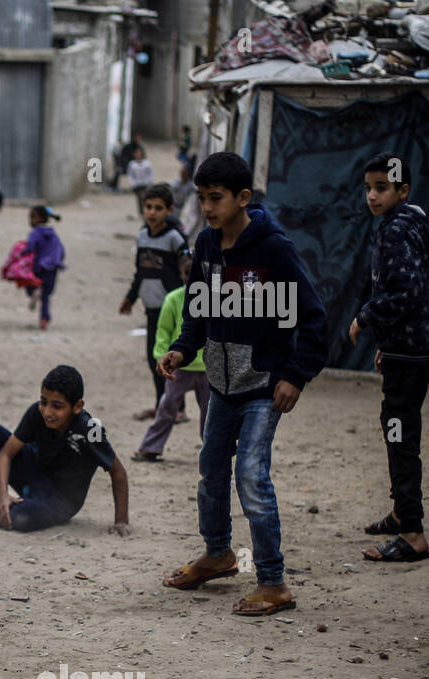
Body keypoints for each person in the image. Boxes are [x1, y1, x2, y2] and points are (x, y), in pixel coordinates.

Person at [158, 152, 327, 616]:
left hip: (263, 389)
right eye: (202, 198)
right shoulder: (207, 245)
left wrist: (295, 375)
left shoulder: (275, 250)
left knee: (251, 476)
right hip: (221, 388)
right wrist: (181, 348)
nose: (208, 207)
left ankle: (273, 582)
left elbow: (313, 319)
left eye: (216, 198)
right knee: (211, 471)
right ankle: (218, 554)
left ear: (243, 198)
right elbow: (198, 311)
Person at [349, 151, 429, 563]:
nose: (372, 196)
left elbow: (405, 292)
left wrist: (365, 318)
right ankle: (401, 513)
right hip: (413, 347)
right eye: (369, 188)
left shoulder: (395, 231)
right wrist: (387, 343)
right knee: (397, 430)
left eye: (382, 189)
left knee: (399, 435)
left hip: (410, 352)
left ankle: (412, 534)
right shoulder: (416, 218)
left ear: (402, 190)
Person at [0, 366, 130, 535]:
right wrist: (3, 495)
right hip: (32, 472)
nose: (47, 412)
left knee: (20, 519)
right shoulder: (37, 412)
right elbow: (5, 454)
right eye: (44, 402)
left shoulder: (91, 429)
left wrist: (121, 521)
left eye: (57, 406)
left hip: (60, 501)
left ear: (77, 406)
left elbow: (118, 472)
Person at [120, 183, 189, 418]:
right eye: (148, 207)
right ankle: (164, 405)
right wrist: (130, 297)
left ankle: (176, 408)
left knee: (169, 358)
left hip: (170, 309)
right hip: (150, 309)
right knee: (153, 360)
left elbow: (188, 267)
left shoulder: (174, 238)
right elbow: (140, 272)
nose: (152, 212)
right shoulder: (141, 237)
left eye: (158, 208)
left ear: (169, 210)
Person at [134, 252, 208, 461]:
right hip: (180, 367)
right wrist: (160, 355)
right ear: (181, 274)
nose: (191, 278)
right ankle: (150, 447)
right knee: (167, 407)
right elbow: (164, 330)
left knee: (210, 415)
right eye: (187, 273)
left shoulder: (213, 298)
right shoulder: (174, 299)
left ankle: (213, 453)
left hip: (208, 368)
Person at [25, 206, 65, 330]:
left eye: (32, 217)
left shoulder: (35, 233)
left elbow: (30, 248)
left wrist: (22, 256)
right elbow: (61, 250)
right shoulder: (53, 234)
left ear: (40, 219)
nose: (30, 220)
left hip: (38, 268)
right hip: (52, 268)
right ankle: (44, 319)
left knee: (31, 288)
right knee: (46, 296)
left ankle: (34, 291)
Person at [126, 146, 154, 218]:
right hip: (137, 184)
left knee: (145, 198)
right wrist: (132, 183)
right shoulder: (132, 164)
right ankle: (141, 213)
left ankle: (146, 211)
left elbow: (150, 173)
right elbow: (130, 175)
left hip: (145, 184)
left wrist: (149, 182)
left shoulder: (146, 164)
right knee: (139, 199)